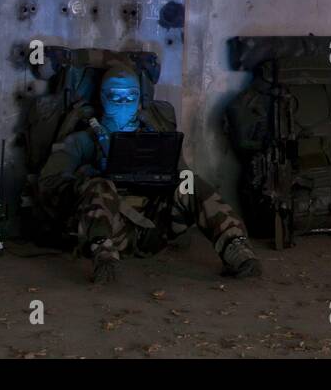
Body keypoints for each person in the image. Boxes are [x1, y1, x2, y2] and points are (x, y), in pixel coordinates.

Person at [37, 63, 262, 284]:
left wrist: (159, 177)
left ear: (139, 100)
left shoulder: (155, 138)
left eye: (130, 96)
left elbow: (182, 177)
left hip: (153, 227)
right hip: (107, 228)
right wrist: (87, 179)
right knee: (98, 186)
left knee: (189, 183)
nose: (124, 103)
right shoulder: (82, 141)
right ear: (103, 98)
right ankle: (103, 255)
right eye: (116, 96)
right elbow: (48, 183)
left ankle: (235, 246)